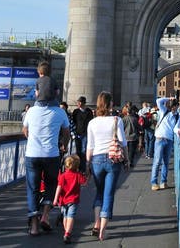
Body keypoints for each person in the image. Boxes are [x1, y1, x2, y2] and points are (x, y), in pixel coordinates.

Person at [23, 99, 70, 236]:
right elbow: (66, 133)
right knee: (51, 184)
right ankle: (45, 215)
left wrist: (33, 140)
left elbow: (25, 131)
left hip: (32, 154)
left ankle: (34, 227)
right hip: (52, 154)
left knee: (33, 189)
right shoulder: (60, 112)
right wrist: (64, 146)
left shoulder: (31, 111)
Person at [86, 91, 128, 242]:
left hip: (96, 159)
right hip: (113, 159)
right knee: (108, 194)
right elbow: (123, 142)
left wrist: (87, 164)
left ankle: (96, 224)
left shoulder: (92, 122)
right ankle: (102, 231)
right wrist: (127, 160)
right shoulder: (117, 120)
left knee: (99, 193)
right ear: (110, 104)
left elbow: (89, 146)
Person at [53, 154, 88, 244]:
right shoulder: (78, 175)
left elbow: (59, 187)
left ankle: (66, 231)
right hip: (73, 200)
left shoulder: (63, 176)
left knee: (65, 216)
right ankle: (67, 233)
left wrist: (55, 199)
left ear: (66, 165)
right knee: (71, 216)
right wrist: (88, 174)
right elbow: (85, 183)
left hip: (63, 200)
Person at [151, 97, 180, 191]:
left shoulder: (178, 117)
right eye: (172, 105)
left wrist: (178, 131)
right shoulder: (164, 111)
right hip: (160, 139)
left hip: (169, 140)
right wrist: (169, 98)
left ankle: (163, 182)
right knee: (157, 161)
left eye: (175, 105)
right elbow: (158, 101)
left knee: (166, 162)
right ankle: (154, 183)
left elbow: (175, 128)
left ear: (176, 106)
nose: (173, 107)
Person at [72, 96, 93, 172]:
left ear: (83, 103)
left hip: (86, 134)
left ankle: (83, 168)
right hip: (77, 133)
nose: (78, 103)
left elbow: (91, 122)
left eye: (80, 102)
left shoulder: (89, 111)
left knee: (84, 151)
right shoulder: (76, 111)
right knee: (77, 151)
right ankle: (77, 167)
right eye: (78, 102)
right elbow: (73, 122)